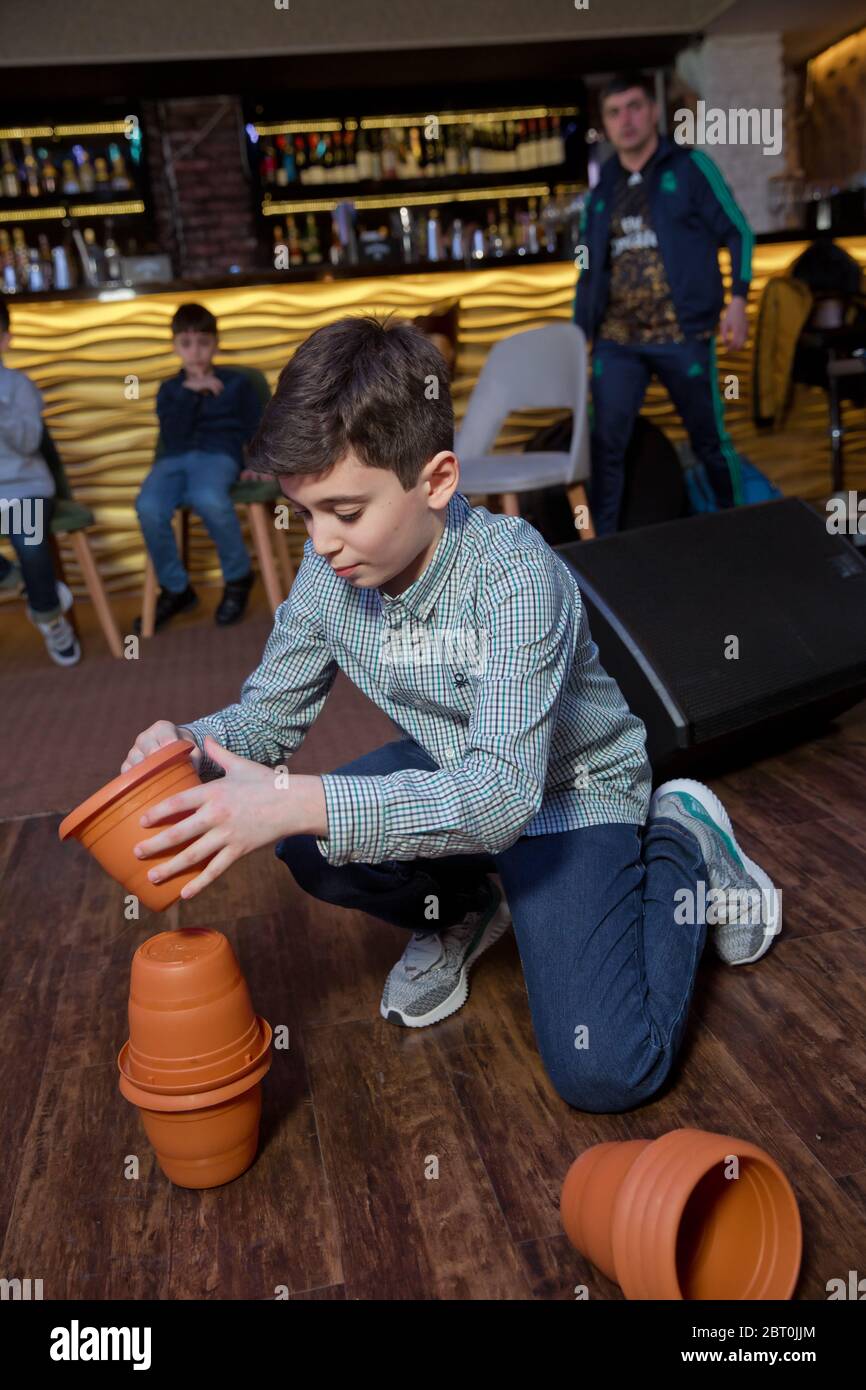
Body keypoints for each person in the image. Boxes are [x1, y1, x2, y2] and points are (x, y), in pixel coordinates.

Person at [120, 314, 781, 1115]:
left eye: (346, 511)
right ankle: (466, 908)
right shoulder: (333, 572)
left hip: (566, 795)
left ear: (435, 481)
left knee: (606, 1070)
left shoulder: (514, 575)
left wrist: (297, 798)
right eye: (304, 514)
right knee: (304, 835)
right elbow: (268, 718)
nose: (322, 542)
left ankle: (682, 838)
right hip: (454, 770)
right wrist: (188, 744)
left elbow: (504, 795)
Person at [575, 71, 754, 536]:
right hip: (617, 342)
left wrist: (738, 300)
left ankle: (740, 536)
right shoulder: (602, 187)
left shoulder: (691, 167)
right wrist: (583, 335)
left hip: (684, 334)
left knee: (710, 442)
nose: (626, 120)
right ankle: (605, 555)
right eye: (614, 112)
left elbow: (739, 232)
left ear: (653, 111)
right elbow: (588, 266)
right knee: (606, 448)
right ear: (606, 125)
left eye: (635, 107)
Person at [133, 302, 264, 633]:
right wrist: (190, 393)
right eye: (186, 344)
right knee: (148, 506)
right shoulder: (169, 390)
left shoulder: (237, 384)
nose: (195, 352)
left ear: (216, 344)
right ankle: (177, 589)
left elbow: (257, 426)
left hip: (217, 456)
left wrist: (258, 463)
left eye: (204, 342)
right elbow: (172, 433)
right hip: (172, 460)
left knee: (208, 497)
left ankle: (237, 577)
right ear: (175, 346)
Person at [0, 300, 80, 666]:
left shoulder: (19, 387)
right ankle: (22, 579)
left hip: (25, 489)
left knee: (30, 544)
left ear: (5, 339)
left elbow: (29, 443)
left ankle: (49, 617)